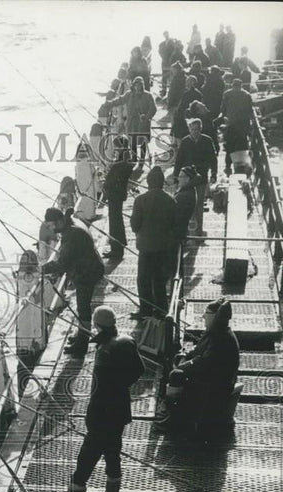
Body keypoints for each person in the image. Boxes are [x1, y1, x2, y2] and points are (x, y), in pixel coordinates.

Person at [47, 305, 144, 492]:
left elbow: (99, 389)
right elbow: (139, 370)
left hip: (102, 414)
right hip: (119, 411)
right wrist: (122, 385)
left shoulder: (105, 351)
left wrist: (92, 415)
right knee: (112, 453)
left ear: (97, 325)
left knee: (86, 457)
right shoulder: (127, 341)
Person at [155, 298, 240, 435]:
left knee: (176, 376)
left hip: (217, 384)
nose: (203, 317)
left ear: (214, 317)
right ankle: (170, 410)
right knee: (176, 366)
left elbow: (204, 362)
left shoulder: (221, 338)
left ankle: (173, 419)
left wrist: (183, 366)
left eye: (206, 314)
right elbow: (198, 351)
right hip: (210, 376)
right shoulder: (215, 333)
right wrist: (184, 357)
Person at [42, 208, 105, 357]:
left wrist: (41, 269)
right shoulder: (72, 224)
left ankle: (82, 345)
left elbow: (63, 263)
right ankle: (81, 334)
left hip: (86, 273)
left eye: (51, 226)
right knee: (82, 306)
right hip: (90, 268)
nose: (51, 229)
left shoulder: (71, 235)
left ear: (59, 221)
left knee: (83, 308)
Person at [130, 165, 176, 320]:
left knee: (143, 279)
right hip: (163, 247)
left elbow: (134, 225)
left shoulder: (140, 200)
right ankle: (161, 310)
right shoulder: (170, 200)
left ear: (148, 182)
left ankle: (145, 310)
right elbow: (173, 224)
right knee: (159, 279)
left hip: (145, 247)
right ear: (162, 182)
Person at [173, 118, 217, 236]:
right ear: (189, 129)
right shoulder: (185, 141)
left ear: (200, 129)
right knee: (187, 204)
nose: (194, 132)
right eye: (192, 129)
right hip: (187, 177)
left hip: (201, 177)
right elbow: (179, 160)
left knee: (199, 204)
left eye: (196, 129)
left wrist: (214, 174)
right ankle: (187, 229)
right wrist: (175, 176)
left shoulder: (207, 141)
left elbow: (213, 159)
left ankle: (199, 229)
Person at [106, 76, 156, 166]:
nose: (138, 87)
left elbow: (153, 109)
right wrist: (110, 103)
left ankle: (142, 161)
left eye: (140, 85)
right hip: (132, 123)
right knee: (132, 142)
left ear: (143, 85)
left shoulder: (148, 95)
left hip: (143, 123)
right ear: (133, 85)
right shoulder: (129, 94)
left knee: (143, 142)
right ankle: (133, 159)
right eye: (136, 85)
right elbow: (120, 100)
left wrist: (147, 116)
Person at [102, 135, 134, 263]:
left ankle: (117, 249)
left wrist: (106, 184)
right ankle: (118, 246)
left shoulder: (122, 161)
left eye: (116, 146)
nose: (114, 148)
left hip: (115, 194)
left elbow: (116, 178)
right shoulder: (124, 158)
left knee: (115, 222)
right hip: (117, 194)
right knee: (116, 221)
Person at [216, 78, 253, 174]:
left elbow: (223, 109)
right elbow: (250, 111)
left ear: (232, 85)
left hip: (230, 125)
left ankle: (228, 166)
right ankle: (242, 167)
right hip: (242, 126)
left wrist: (223, 119)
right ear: (241, 85)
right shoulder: (247, 95)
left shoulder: (227, 94)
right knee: (242, 147)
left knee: (229, 146)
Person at [171, 165, 198, 277]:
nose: (178, 178)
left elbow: (174, 213)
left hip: (176, 232)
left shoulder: (184, 195)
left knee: (174, 262)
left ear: (188, 179)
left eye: (181, 176)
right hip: (181, 230)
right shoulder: (189, 191)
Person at [172, 75, 203, 149]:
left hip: (184, 119)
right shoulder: (199, 94)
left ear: (191, 83)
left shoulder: (187, 94)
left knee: (180, 138)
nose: (186, 83)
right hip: (193, 119)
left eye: (187, 81)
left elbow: (181, 107)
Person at [159, 31, 175, 95]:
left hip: (170, 61)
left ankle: (171, 90)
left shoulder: (172, 42)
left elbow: (173, 50)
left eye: (167, 34)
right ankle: (164, 90)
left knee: (171, 75)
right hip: (164, 61)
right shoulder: (162, 44)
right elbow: (160, 51)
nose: (166, 35)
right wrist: (163, 56)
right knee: (164, 76)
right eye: (165, 34)